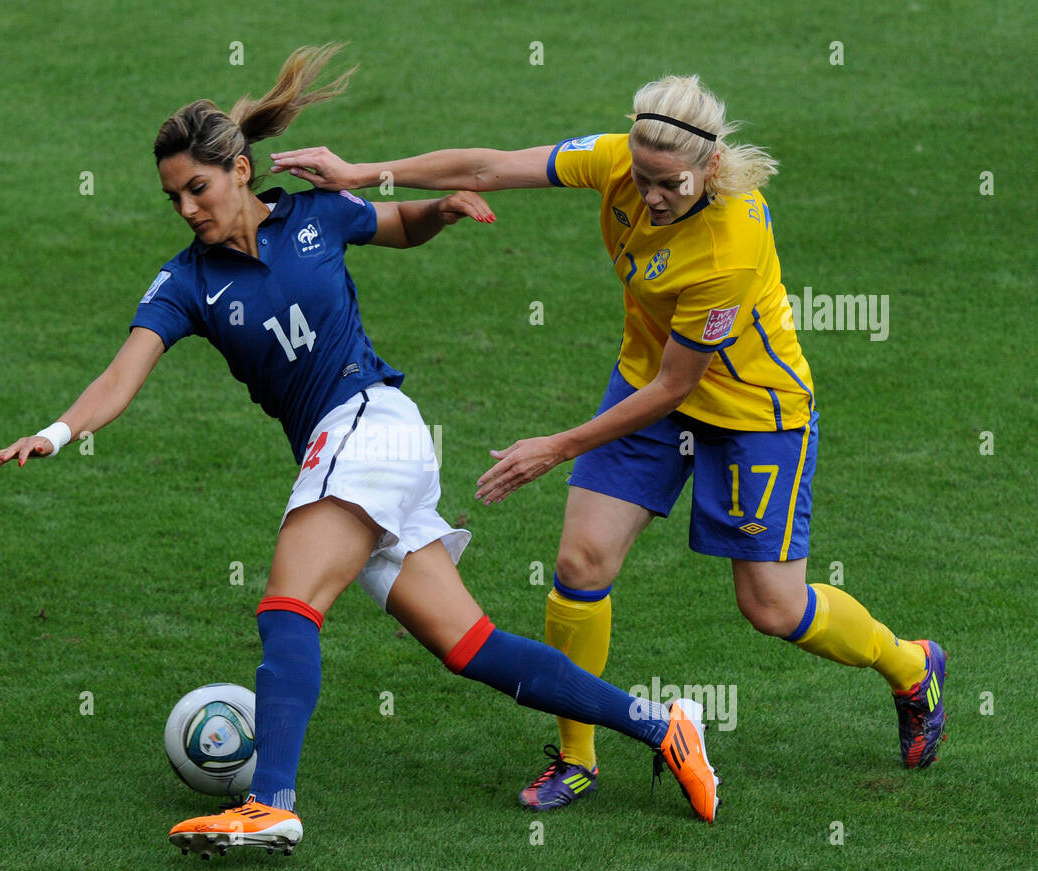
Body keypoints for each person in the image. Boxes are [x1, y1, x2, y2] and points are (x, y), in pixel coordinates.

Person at [0, 47, 722, 857]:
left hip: (368, 422)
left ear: (238, 170)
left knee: (286, 601)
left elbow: (396, 223)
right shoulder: (185, 285)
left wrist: (440, 212)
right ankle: (662, 724)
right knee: (470, 646)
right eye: (174, 198)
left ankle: (271, 803)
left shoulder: (315, 214)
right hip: (357, 450)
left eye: (197, 187)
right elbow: (121, 375)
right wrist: (56, 431)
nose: (187, 209)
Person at [269, 73, 946, 813]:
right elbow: (493, 165)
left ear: (710, 169)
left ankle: (912, 666)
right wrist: (363, 173)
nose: (650, 195)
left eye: (668, 184)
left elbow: (675, 390)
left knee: (773, 607)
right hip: (646, 383)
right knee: (578, 562)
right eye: (643, 177)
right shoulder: (621, 159)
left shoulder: (730, 242)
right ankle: (576, 755)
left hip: (753, 410)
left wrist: (555, 445)